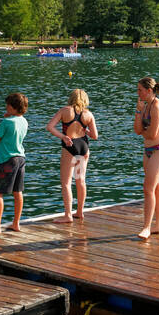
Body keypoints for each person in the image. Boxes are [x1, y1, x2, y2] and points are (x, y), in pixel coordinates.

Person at [46, 88, 98, 223]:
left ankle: (68, 215)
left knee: (66, 182)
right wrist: (85, 130)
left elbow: (50, 127)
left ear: (71, 98)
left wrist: (63, 137)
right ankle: (80, 212)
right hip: (83, 147)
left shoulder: (65, 111)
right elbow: (95, 136)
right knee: (80, 181)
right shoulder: (88, 114)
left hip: (69, 146)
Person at [0, 92, 28, 235]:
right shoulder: (24, 121)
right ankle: (16, 223)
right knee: (18, 192)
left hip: (7, 160)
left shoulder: (6, 122)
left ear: (13, 107)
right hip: (21, 158)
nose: (6, 107)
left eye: (8, 105)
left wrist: (6, 120)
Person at [134, 76, 159, 239]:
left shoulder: (157, 106)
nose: (138, 93)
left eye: (140, 90)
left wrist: (144, 132)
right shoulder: (146, 106)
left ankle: (147, 227)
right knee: (156, 188)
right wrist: (138, 111)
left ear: (149, 91)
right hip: (148, 150)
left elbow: (152, 133)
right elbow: (137, 130)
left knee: (147, 188)